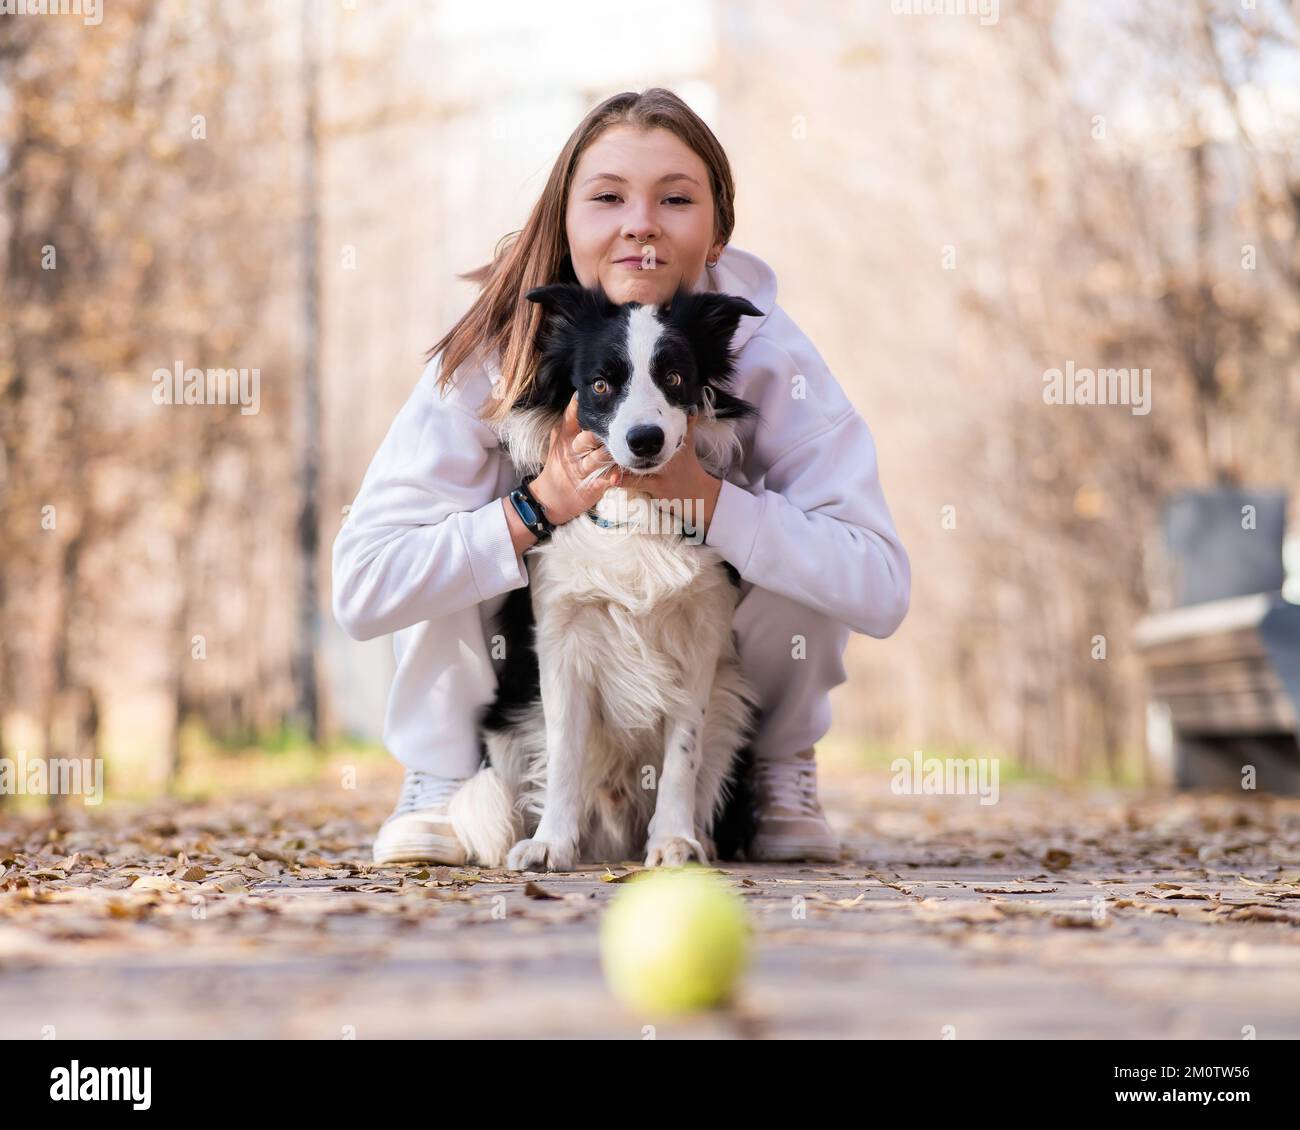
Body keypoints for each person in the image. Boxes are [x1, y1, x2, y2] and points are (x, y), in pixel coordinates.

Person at [331, 88, 910, 866]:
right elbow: (364, 587)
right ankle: (441, 776)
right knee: (444, 537)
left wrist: (710, 504)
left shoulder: (771, 355)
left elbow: (878, 585)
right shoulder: (489, 356)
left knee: (804, 542)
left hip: (698, 674)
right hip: (533, 691)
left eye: (675, 198)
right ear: (563, 218)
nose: (641, 223)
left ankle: (776, 767)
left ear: (717, 231)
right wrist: (536, 509)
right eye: (608, 197)